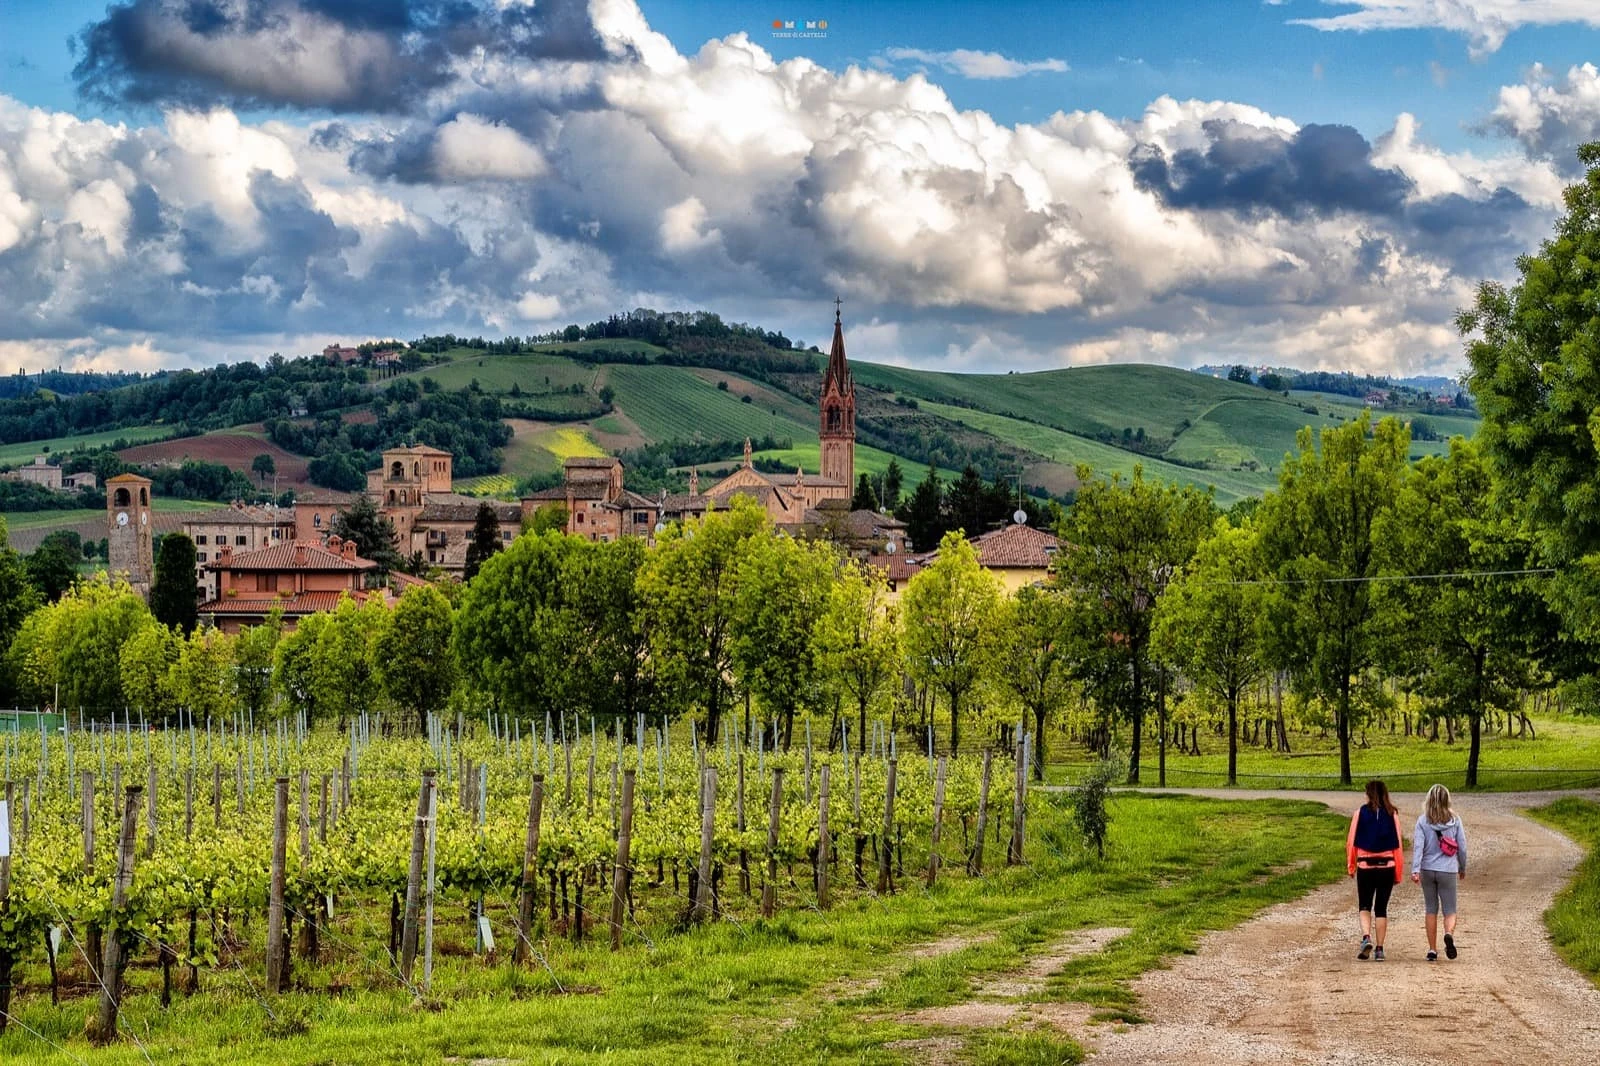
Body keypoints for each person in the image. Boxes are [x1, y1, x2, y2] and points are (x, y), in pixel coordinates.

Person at [1346, 779, 1404, 961]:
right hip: (1387, 865)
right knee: (1381, 909)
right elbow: (1398, 847)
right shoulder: (1392, 814)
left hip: (1365, 865)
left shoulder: (1360, 813)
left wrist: (1351, 864)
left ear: (1368, 794)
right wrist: (1398, 871)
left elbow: (1351, 841)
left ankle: (1366, 937)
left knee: (1364, 905)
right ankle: (1379, 949)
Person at [1412, 783, 1467, 962]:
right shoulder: (1455, 820)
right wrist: (1462, 867)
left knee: (1431, 909)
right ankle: (1448, 933)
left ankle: (1432, 949)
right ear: (1447, 800)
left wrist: (1415, 869)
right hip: (1448, 870)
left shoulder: (1422, 821)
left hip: (1427, 869)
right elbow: (1462, 847)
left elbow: (1418, 847)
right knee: (1450, 910)